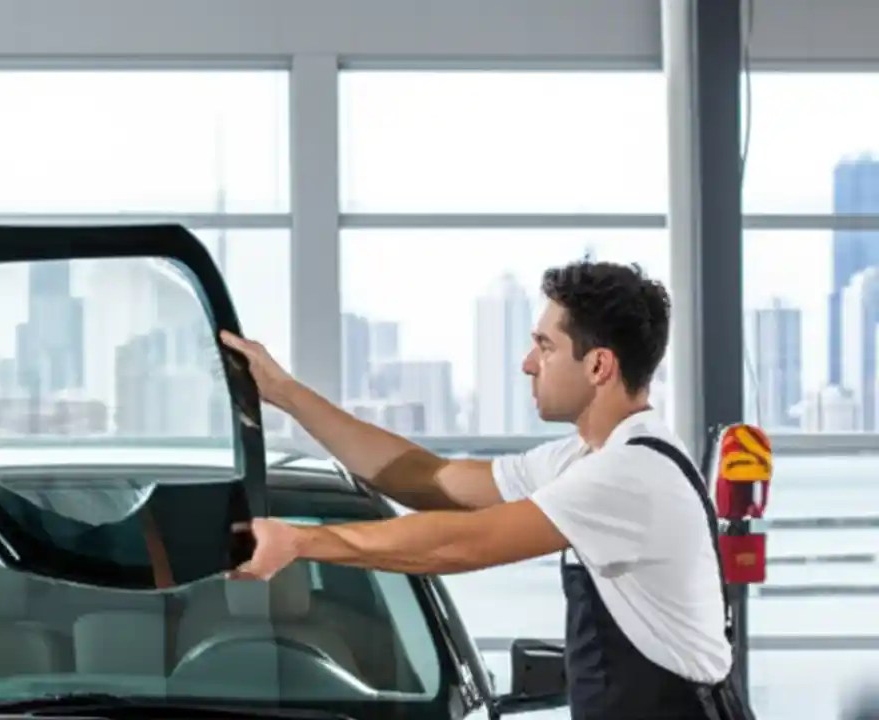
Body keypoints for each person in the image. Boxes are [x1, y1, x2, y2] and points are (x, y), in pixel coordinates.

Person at [219, 259, 751, 720]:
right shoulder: (587, 457)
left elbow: (462, 543)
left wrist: (302, 543)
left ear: (598, 365)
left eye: (545, 346)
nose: (527, 363)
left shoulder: (629, 477)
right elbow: (428, 481)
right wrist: (285, 393)